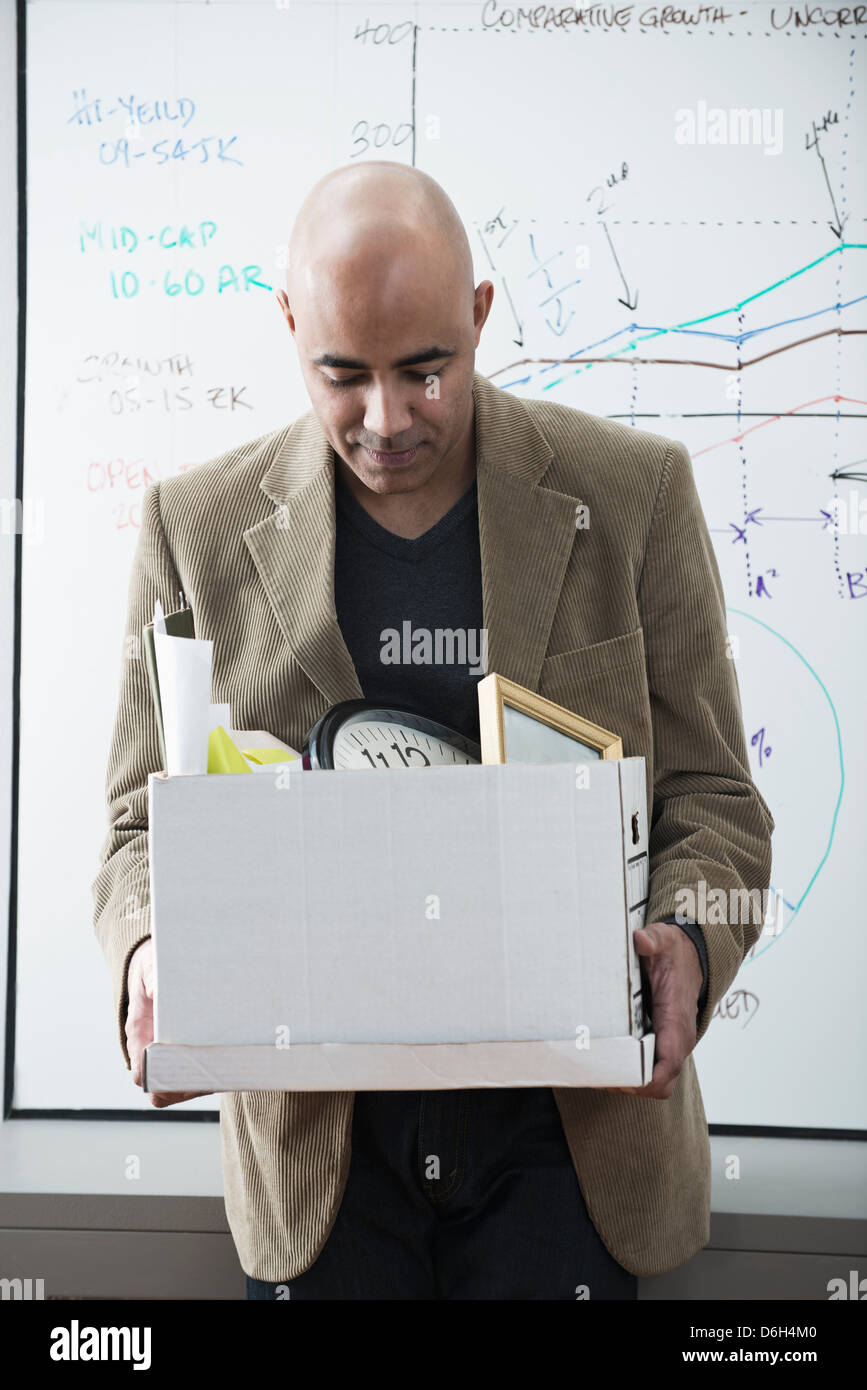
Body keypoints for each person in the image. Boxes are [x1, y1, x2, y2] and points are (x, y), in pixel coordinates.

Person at [93, 161, 774, 1301]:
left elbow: (715, 799)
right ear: (288, 323)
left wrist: (690, 945)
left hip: (570, 1148)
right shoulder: (190, 528)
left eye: (426, 371)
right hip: (321, 1158)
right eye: (341, 375)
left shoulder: (636, 495)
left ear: (480, 316)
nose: (387, 418)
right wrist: (150, 953)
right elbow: (132, 823)